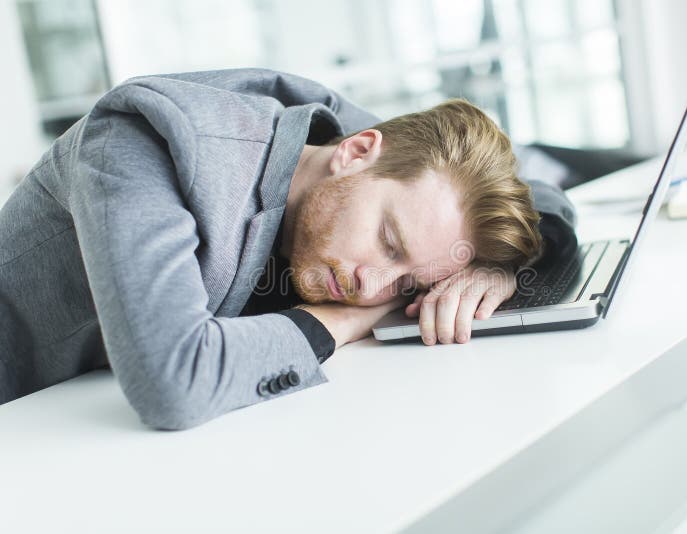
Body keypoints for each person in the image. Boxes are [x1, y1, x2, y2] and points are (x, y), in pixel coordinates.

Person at [0, 68, 574, 430]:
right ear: (356, 152)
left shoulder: (382, 161)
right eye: (388, 243)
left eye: (409, 285)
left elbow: (540, 194)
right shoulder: (145, 139)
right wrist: (345, 320)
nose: (374, 287)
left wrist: (496, 270)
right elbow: (172, 382)